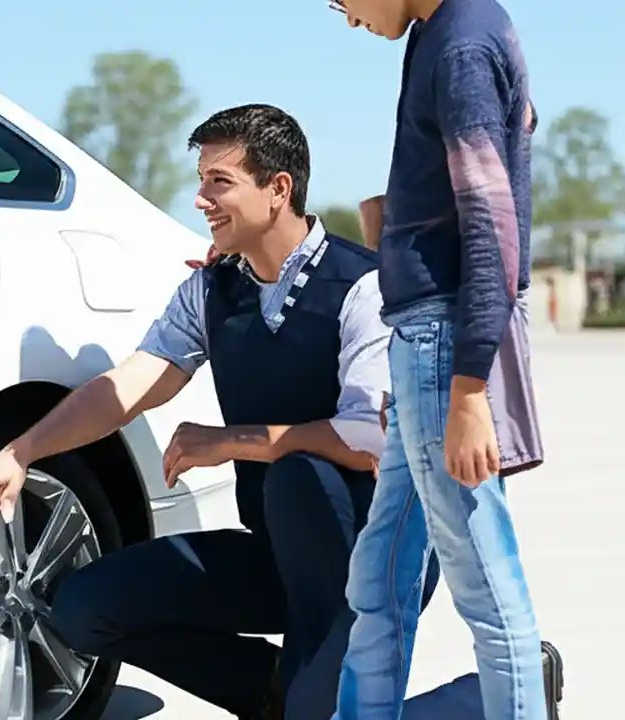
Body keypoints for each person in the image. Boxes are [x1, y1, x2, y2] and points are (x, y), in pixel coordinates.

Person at [0, 102, 438, 719]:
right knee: (86, 608)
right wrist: (21, 452)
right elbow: (130, 384)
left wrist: (228, 441)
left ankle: (468, 702)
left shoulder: (363, 286)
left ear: (279, 190)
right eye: (201, 181)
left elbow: (366, 438)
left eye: (219, 182)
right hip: (276, 556)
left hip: (368, 560)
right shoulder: (210, 289)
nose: (200, 199)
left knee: (302, 475)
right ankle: (279, 691)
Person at [326, 1, 564, 718]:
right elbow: (504, 145)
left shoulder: (460, 45)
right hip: (419, 340)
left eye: (342, 0)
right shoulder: (444, 31)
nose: (348, 19)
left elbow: (494, 227)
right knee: (379, 576)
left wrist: (466, 395)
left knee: (486, 584)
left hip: (443, 345)